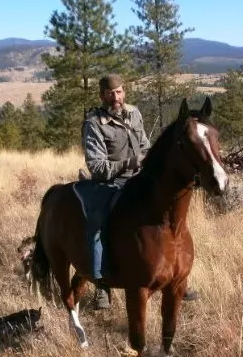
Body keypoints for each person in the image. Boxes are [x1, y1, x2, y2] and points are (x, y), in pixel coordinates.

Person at [82, 74, 199, 309]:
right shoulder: (93, 123)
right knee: (97, 224)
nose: (116, 97)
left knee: (171, 218)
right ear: (102, 95)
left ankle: (177, 278)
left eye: (119, 92)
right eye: (110, 93)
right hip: (110, 183)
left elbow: (145, 144)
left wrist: (151, 160)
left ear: (124, 92)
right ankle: (101, 283)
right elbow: (96, 168)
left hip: (139, 179)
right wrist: (129, 163)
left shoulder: (133, 113)